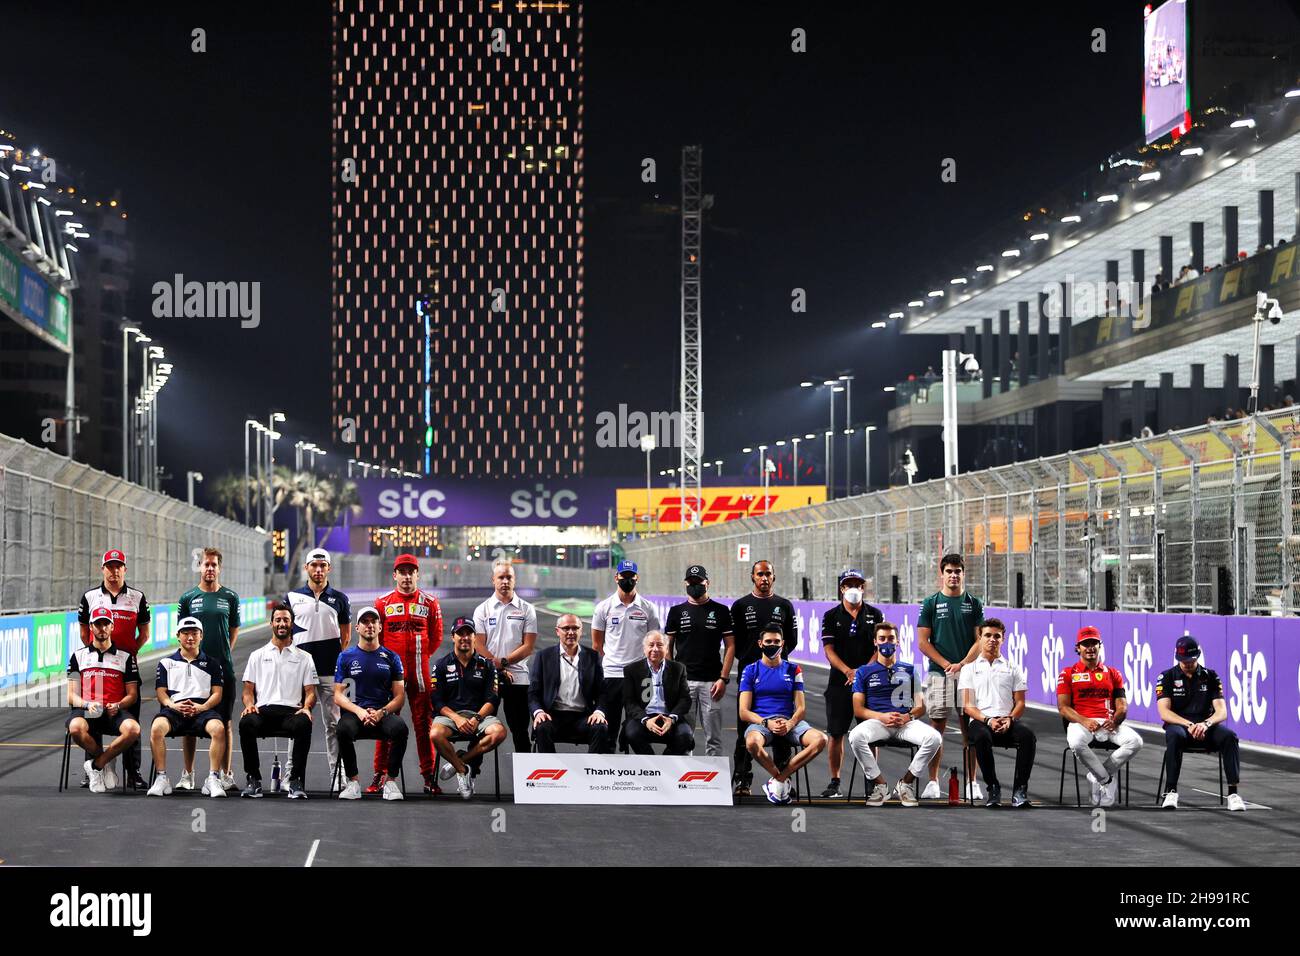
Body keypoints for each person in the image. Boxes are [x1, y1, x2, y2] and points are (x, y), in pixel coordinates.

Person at [369, 554, 443, 794]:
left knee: (424, 724)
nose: (407, 576)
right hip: (392, 674)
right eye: (402, 572)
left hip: (420, 673)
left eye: (411, 572)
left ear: (417, 575)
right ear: (395, 575)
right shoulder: (382, 602)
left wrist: (421, 658)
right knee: (385, 723)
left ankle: (428, 776)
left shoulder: (430, 602)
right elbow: (377, 638)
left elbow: (436, 636)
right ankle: (380, 774)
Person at [847, 621, 942, 807]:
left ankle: (905, 783)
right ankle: (880, 785)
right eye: (882, 639)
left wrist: (908, 717)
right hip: (878, 722)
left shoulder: (910, 669)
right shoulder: (863, 672)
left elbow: (921, 706)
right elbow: (858, 709)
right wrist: (881, 717)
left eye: (891, 639)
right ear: (875, 642)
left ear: (898, 642)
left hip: (905, 722)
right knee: (856, 736)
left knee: (935, 738)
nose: (886, 642)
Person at [77, 548, 150, 789]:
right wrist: (99, 657)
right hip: (98, 668)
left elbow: (145, 633)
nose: (114, 570)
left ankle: (133, 772)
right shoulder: (89, 597)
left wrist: (130, 654)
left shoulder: (137, 597)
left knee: (132, 719)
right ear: (103, 569)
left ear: (125, 569)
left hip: (127, 669)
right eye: (110, 566)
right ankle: (95, 769)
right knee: (93, 716)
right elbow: (84, 633)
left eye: (118, 566)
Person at [916, 552, 984, 799]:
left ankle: (973, 782)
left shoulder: (974, 603)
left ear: (963, 574)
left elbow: (981, 640)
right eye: (949, 571)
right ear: (942, 574)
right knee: (936, 728)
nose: (954, 575)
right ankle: (933, 781)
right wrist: (947, 664)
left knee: (971, 729)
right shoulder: (931, 603)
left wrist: (963, 664)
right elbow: (923, 642)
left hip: (968, 674)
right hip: (939, 673)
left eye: (958, 571)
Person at [729, 560, 798, 795]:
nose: (764, 578)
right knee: (745, 730)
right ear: (752, 577)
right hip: (750, 677)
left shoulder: (785, 606)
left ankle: (781, 779)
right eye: (760, 574)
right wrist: (753, 662)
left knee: (781, 728)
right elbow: (734, 643)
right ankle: (742, 780)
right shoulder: (740, 606)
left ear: (774, 576)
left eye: (768, 573)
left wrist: (776, 664)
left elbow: (792, 640)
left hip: (780, 677)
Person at [738, 625, 827, 805]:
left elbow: (801, 708)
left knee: (821, 739)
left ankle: (779, 780)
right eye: (768, 641)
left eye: (776, 641)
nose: (772, 644)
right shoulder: (750, 670)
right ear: (760, 644)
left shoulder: (794, 670)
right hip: (762, 723)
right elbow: (744, 712)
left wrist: (791, 723)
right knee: (752, 742)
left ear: (783, 643)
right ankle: (779, 778)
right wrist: (766, 723)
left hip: (789, 721)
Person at [176, 547, 241, 791]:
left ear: (219, 568)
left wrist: (224, 654)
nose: (210, 568)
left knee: (225, 723)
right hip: (193, 669)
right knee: (188, 719)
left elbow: (233, 629)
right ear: (200, 567)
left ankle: (226, 774)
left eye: (214, 564)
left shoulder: (231, 597)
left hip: (223, 669)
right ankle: (188, 774)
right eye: (206, 564)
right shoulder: (188, 598)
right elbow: (183, 633)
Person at [1155, 636, 1245, 811]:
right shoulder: (1166, 677)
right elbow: (1164, 712)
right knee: (1173, 735)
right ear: (1176, 656)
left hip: (1206, 728)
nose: (1188, 663)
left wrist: (1205, 724)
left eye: (1191, 659)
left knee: (1230, 737)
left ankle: (1233, 793)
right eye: (1184, 660)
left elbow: (1222, 711)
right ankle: (1171, 791)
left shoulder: (1210, 676)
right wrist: (1189, 725)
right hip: (1180, 727)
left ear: (1198, 655)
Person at [1057, 625, 1143, 807]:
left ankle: (1097, 774)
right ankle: (1106, 780)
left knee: (1136, 742)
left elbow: (1122, 704)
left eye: (1094, 643)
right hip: (1081, 721)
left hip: (1108, 722)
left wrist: (1116, 719)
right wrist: (1084, 720)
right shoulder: (1068, 673)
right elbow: (1063, 708)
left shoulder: (1113, 673)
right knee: (1075, 742)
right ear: (1078, 648)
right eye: (1085, 644)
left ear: (1099, 646)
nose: (1090, 647)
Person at [238, 603, 318, 799]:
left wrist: (307, 707)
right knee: (246, 723)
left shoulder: (305, 658)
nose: (282, 623)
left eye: (286, 620)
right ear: (271, 623)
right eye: (278, 620)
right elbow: (248, 691)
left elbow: (310, 692)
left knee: (304, 723)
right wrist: (249, 706)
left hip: (291, 713)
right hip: (263, 712)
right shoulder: (257, 655)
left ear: (292, 624)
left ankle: (295, 780)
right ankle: (253, 779)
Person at [284, 547, 350, 782]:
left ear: (328, 568)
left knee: (334, 724)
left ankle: (338, 774)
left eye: (323, 566)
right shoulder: (291, 597)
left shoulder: (340, 599)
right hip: (302, 675)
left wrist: (338, 664)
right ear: (306, 568)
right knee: (297, 724)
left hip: (331, 673)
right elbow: (285, 634)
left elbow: (345, 636)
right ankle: (291, 774)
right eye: (314, 565)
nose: (319, 569)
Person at [818, 568, 884, 797]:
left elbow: (879, 649)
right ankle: (835, 781)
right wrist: (847, 671)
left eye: (858, 584)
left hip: (867, 682)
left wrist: (862, 672)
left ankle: (871, 779)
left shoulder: (875, 615)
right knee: (836, 733)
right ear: (842, 588)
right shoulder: (830, 616)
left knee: (871, 733)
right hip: (839, 681)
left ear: (863, 587)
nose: (853, 588)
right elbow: (828, 650)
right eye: (849, 584)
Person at [147, 617, 227, 797]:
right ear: (178, 636)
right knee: (156, 728)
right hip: (174, 709)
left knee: (219, 729)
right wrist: (172, 705)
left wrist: (202, 707)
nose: (190, 637)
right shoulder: (166, 663)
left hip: (202, 710)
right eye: (185, 633)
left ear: (201, 636)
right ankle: (161, 778)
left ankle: (213, 779)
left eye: (194, 633)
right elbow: (161, 692)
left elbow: (217, 694)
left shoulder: (213, 664)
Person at [959, 619, 1035, 808]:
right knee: (981, 737)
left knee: (1028, 736)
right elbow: (968, 706)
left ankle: (1020, 790)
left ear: (1003, 639)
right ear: (980, 638)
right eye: (988, 635)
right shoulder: (969, 669)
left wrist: (1009, 718)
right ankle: (993, 787)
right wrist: (988, 719)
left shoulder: (1013, 668)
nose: (992, 640)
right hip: (981, 720)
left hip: (1007, 719)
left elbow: (1020, 703)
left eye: (997, 636)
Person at [333, 605, 406, 801]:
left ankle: (390, 782)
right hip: (356, 714)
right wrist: (359, 712)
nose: (370, 625)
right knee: (342, 729)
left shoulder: (392, 658)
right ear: (357, 628)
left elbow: (400, 696)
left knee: (400, 729)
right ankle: (353, 782)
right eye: (365, 622)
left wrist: (381, 712)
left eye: (374, 621)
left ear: (380, 627)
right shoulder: (345, 656)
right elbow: (338, 695)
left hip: (382, 714)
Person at [431, 616, 508, 799]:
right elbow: (436, 700)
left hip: (479, 716)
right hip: (451, 716)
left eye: (469, 634)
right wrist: (457, 718)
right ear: (453, 637)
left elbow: (493, 698)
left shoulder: (487, 665)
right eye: (460, 634)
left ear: (475, 638)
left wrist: (476, 718)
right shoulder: (441, 665)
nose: (464, 637)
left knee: (499, 732)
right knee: (435, 734)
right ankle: (462, 769)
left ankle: (460, 760)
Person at [67, 606, 142, 794]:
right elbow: (71, 695)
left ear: (112, 627)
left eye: (105, 624)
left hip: (113, 711)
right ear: (91, 627)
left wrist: (118, 705)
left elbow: (132, 694)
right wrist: (87, 704)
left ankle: (97, 765)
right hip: (88, 710)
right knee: (75, 727)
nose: (102, 628)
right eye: (97, 624)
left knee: (133, 729)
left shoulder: (126, 657)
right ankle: (105, 760)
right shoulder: (78, 656)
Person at [664, 565, 734, 758]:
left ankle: (714, 783)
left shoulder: (721, 611)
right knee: (684, 737)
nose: (695, 586)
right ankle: (685, 782)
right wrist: (672, 676)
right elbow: (668, 645)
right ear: (686, 584)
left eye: (699, 582)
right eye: (691, 582)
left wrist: (723, 678)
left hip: (712, 683)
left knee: (714, 738)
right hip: (684, 684)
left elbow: (731, 646)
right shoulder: (676, 612)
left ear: (707, 583)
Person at [591, 560, 661, 752]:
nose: (628, 580)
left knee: (637, 727)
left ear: (637, 578)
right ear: (617, 578)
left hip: (639, 677)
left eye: (631, 577)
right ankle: (609, 766)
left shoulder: (648, 608)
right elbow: (597, 645)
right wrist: (608, 666)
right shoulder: (604, 608)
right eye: (624, 576)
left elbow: (654, 643)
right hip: (612, 675)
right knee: (609, 727)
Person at [472, 561, 537, 755]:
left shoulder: (527, 609)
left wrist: (504, 662)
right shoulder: (482, 609)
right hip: (487, 677)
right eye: (501, 577)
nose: (505, 581)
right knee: (479, 729)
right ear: (493, 580)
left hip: (518, 677)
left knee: (520, 730)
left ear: (514, 580)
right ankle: (471, 775)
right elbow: (479, 645)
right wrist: (497, 668)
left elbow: (528, 646)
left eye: (509, 577)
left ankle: (526, 779)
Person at [529, 614, 609, 753]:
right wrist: (539, 712)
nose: (571, 632)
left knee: (600, 727)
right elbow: (533, 693)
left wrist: (599, 712)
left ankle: (593, 772)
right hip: (553, 715)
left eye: (575, 628)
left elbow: (602, 693)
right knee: (542, 726)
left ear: (581, 630)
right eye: (566, 628)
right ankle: (550, 772)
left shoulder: (593, 657)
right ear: (557, 631)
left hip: (583, 716)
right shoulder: (543, 656)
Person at [622, 631, 694, 755]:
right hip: (644, 717)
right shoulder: (631, 670)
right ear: (644, 648)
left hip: (669, 716)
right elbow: (629, 702)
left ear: (666, 649)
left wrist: (671, 719)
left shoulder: (678, 669)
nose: (655, 649)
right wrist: (645, 720)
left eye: (660, 645)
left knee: (685, 736)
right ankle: (651, 764)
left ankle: (665, 763)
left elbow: (685, 699)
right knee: (632, 733)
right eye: (651, 645)